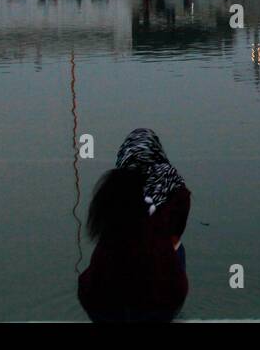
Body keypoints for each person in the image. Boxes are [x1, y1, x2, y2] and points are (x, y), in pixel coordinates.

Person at [79, 129, 191, 322]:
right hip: (158, 306)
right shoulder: (175, 188)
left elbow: (100, 233)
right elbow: (173, 239)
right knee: (175, 249)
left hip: (103, 305)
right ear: (157, 152)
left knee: (107, 249)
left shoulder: (112, 186)